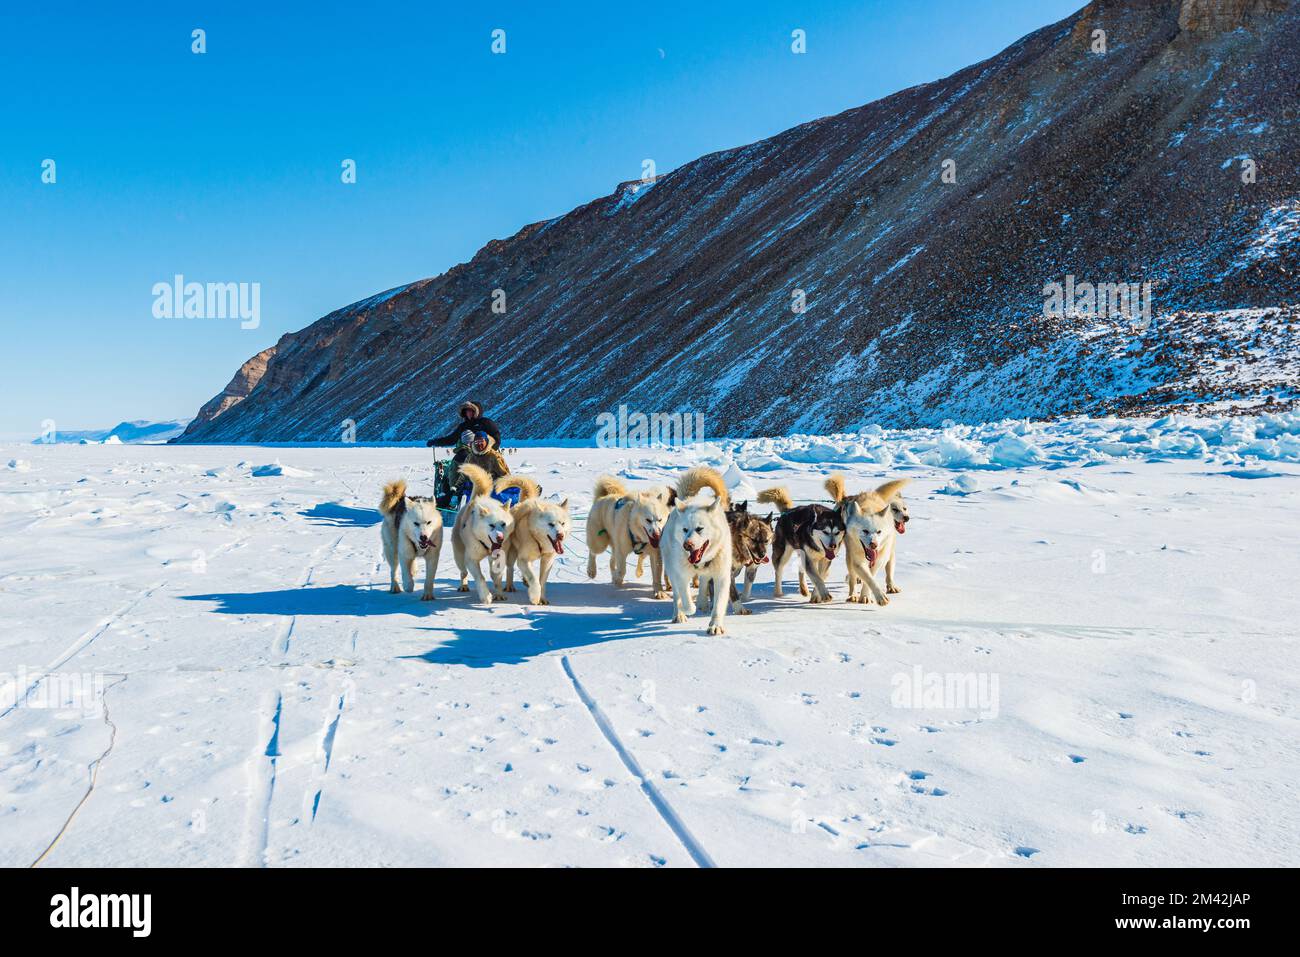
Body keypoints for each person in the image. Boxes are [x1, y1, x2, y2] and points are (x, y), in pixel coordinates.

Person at [427, 401, 501, 451]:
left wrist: (490, 450)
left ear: (477, 411)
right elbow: (451, 439)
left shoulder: (486, 422)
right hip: (467, 454)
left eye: (472, 410)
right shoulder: (463, 426)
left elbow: (496, 438)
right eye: (467, 410)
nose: (469, 413)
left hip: (486, 453)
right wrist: (435, 442)